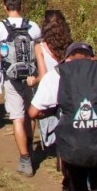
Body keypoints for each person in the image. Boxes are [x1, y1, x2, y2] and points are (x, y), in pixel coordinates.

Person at [28, 42, 97, 190]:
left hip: (72, 147)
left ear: (67, 59)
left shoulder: (56, 75)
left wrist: (57, 113)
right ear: (92, 58)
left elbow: (33, 112)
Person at [0, 0, 42, 177]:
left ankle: (25, 159)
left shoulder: (0, 27)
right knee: (31, 114)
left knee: (17, 117)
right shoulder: (33, 26)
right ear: (21, 6)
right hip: (32, 77)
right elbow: (39, 52)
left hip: (12, 78)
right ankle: (30, 147)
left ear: (5, 7)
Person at [34, 10, 73, 154]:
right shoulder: (70, 45)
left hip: (51, 91)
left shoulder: (40, 47)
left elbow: (43, 75)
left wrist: (34, 81)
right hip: (68, 88)